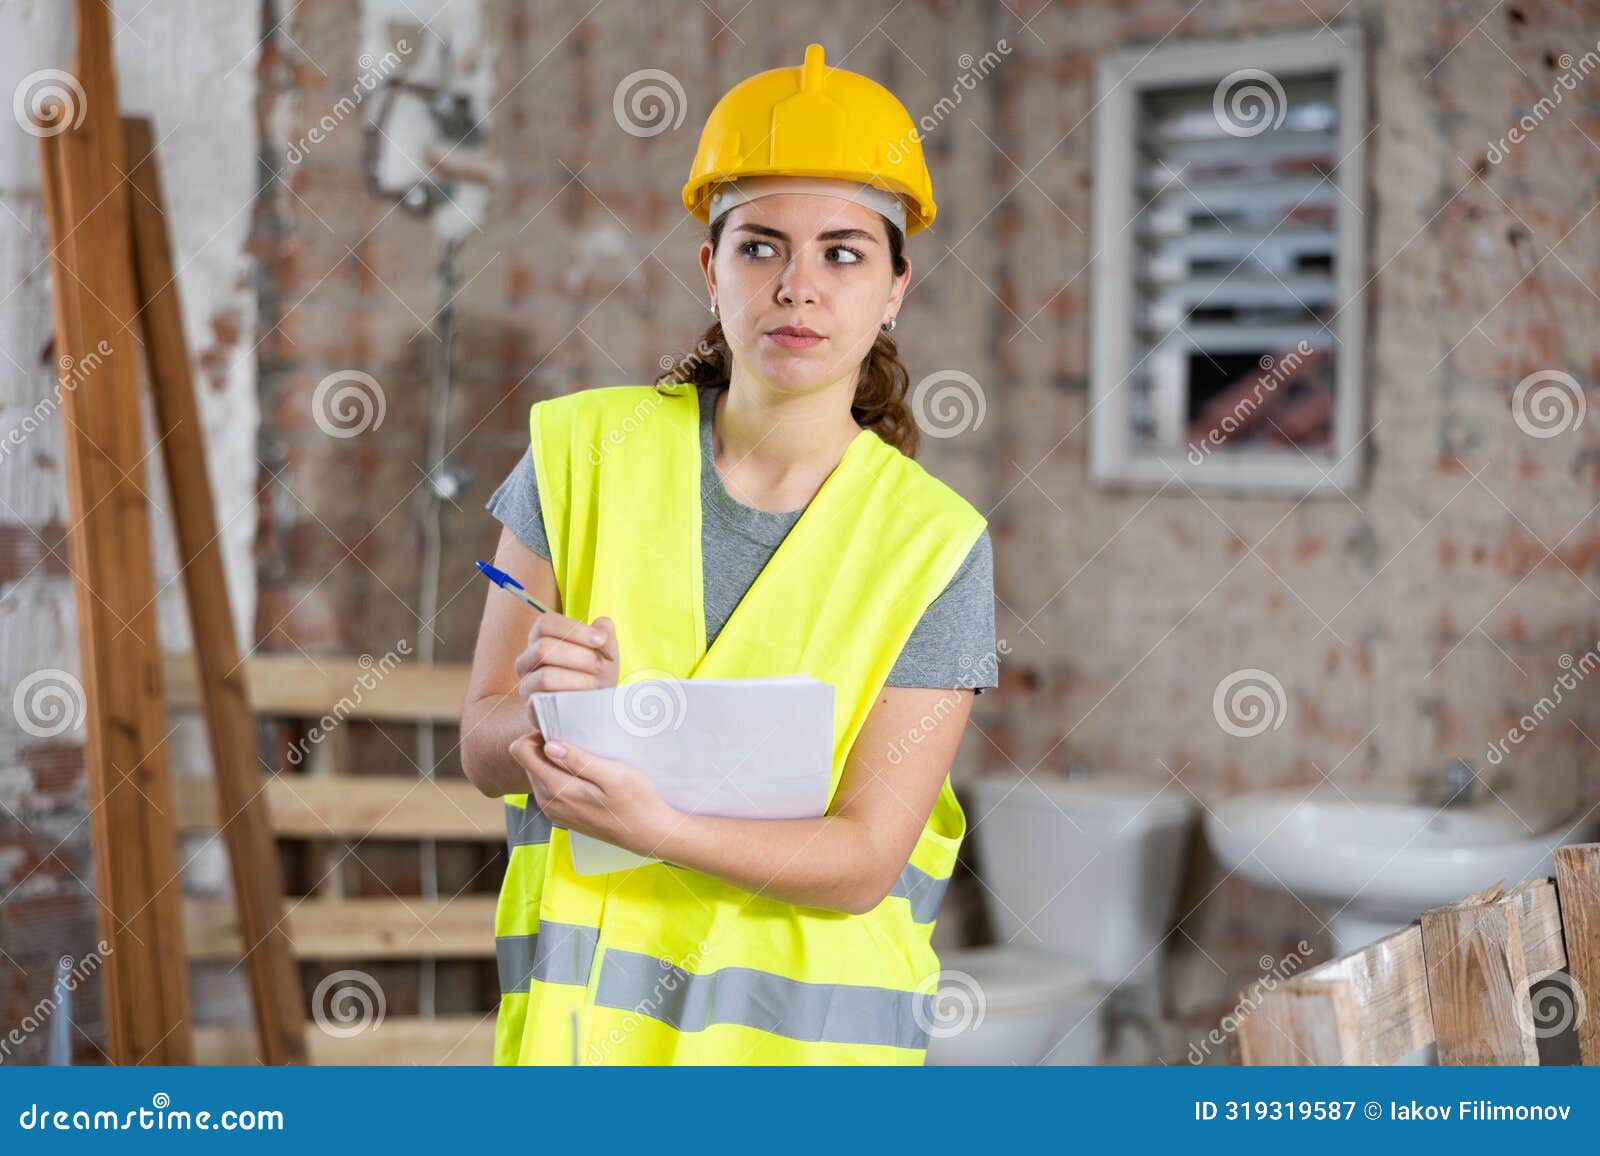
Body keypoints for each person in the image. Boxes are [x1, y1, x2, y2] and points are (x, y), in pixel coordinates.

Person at [461, 43, 997, 1065]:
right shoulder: (580, 455)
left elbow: (863, 859)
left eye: (842, 252)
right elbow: (482, 749)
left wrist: (655, 821)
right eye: (761, 248)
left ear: (894, 288)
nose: (798, 287)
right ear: (712, 270)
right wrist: (550, 712)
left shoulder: (935, 546)